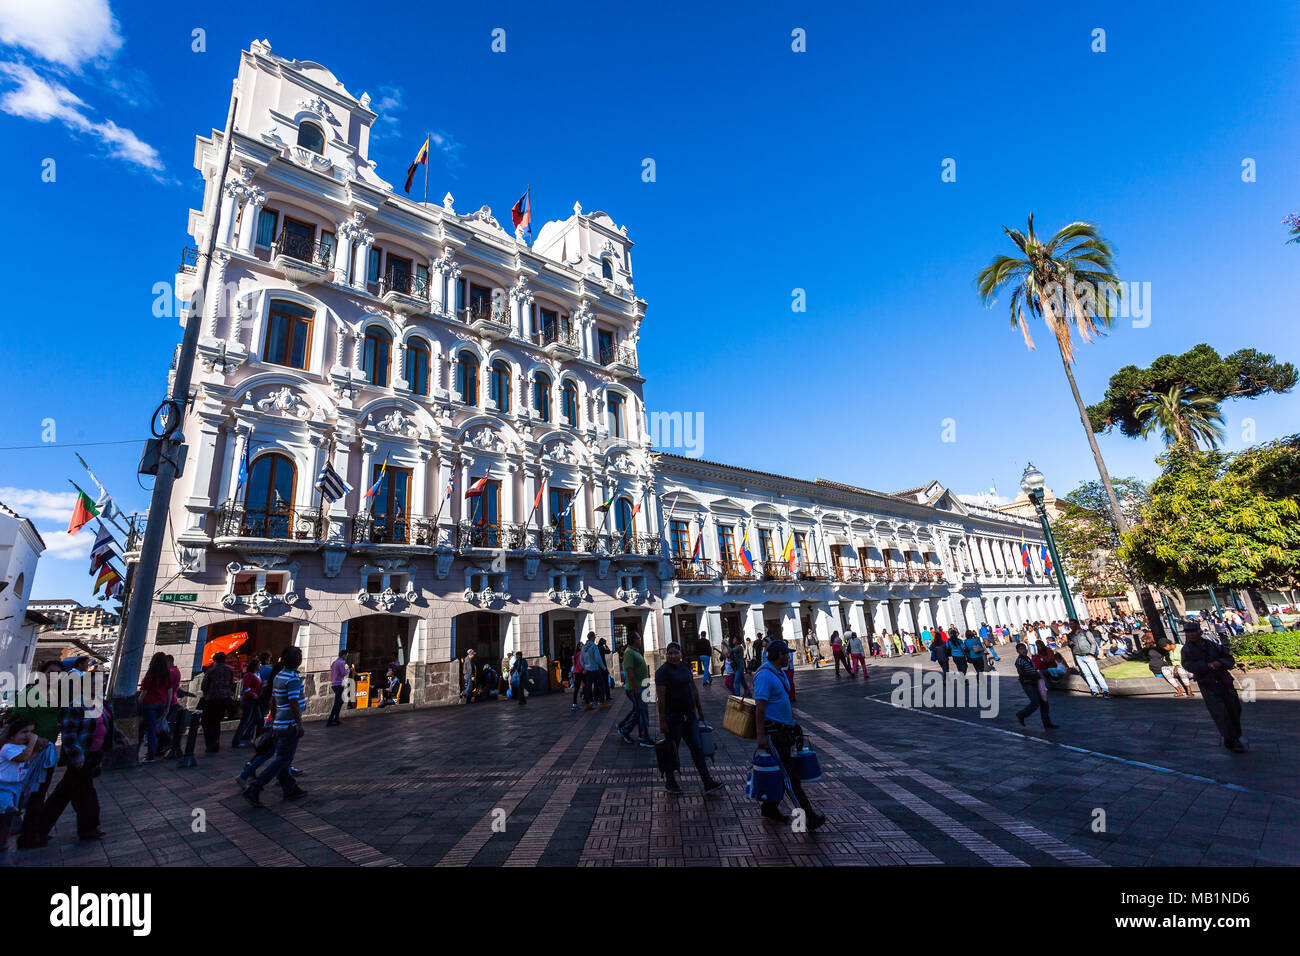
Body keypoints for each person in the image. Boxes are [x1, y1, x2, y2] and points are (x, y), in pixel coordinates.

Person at [752, 640, 826, 829]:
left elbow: (781, 703)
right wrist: (761, 736)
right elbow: (759, 709)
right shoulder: (765, 676)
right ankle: (807, 816)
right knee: (789, 777)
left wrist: (793, 724)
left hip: (784, 730)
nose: (789, 657)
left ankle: (769, 808)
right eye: (787, 654)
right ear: (779, 655)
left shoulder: (778, 672)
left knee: (781, 773)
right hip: (773, 733)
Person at [39, 694, 118, 842]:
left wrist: (119, 737)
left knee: (67, 793)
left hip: (94, 755)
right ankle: (87, 828)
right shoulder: (77, 705)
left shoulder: (101, 703)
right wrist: (76, 756)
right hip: (82, 756)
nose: (96, 687)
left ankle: (39, 829)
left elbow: (106, 725)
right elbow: (69, 732)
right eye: (93, 684)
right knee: (81, 793)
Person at [654, 643, 722, 796]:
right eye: (669, 653)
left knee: (697, 748)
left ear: (680, 653)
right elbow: (661, 698)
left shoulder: (685, 667)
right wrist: (662, 720)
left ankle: (707, 781)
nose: (672, 656)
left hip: (690, 716)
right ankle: (670, 781)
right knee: (673, 750)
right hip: (673, 718)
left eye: (675, 653)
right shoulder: (662, 672)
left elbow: (693, 689)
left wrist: (699, 709)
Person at [242, 646, 308, 805]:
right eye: (298, 656)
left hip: (279, 723)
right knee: (282, 759)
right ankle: (255, 787)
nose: (300, 659)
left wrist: (271, 720)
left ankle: (290, 788)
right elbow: (293, 702)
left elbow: (275, 700)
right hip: (289, 725)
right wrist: (299, 724)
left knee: (283, 758)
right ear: (296, 661)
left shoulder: (279, 676)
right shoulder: (292, 678)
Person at [1181, 622, 1245, 752]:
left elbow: (1229, 659)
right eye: (1188, 632)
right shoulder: (1187, 649)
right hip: (1208, 684)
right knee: (1220, 713)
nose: (1191, 634)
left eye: (1193, 631)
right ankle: (1231, 740)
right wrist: (1206, 666)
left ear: (1200, 632)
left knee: (1234, 709)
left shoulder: (1212, 645)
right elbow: (1188, 665)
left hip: (1224, 681)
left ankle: (1235, 736)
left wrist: (1220, 663)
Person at [617, 633, 653, 746]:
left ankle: (624, 728)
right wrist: (637, 688)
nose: (640, 640)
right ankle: (644, 737)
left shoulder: (635, 651)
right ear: (634, 640)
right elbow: (629, 671)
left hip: (642, 687)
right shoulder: (629, 653)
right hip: (635, 688)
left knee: (638, 711)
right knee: (642, 712)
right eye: (639, 638)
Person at [136, 652, 172, 763]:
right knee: (155, 729)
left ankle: (149, 754)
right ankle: (153, 752)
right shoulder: (167, 675)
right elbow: (170, 691)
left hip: (149, 704)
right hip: (162, 703)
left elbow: (144, 693)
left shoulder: (150, 676)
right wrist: (168, 706)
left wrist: (138, 704)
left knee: (148, 730)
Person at [1014, 643, 1059, 729]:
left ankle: (1047, 723)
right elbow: (1022, 673)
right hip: (1028, 684)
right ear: (1018, 651)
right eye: (1021, 649)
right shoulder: (1019, 661)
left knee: (1044, 703)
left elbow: (1033, 669)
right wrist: (1034, 676)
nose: (1023, 650)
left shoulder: (1028, 659)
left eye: (1024, 648)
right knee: (1035, 703)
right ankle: (1021, 714)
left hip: (1035, 682)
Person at [199, 651, 235, 753]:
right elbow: (231, 684)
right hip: (224, 699)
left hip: (211, 699)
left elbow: (204, 686)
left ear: (215, 660)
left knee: (207, 722)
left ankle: (210, 744)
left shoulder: (211, 671)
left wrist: (207, 693)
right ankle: (216, 742)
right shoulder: (229, 670)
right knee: (216, 722)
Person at [1066, 620, 1110, 698]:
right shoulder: (1070, 635)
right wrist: (1070, 644)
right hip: (1078, 656)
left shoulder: (1085, 632)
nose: (1070, 626)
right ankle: (1094, 690)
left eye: (1072, 624)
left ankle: (1105, 690)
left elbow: (1093, 643)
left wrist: (1091, 653)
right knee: (1087, 674)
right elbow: (1071, 646)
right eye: (1070, 625)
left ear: (1076, 624)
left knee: (1096, 673)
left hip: (1088, 655)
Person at [230, 659, 264, 747]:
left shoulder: (258, 674)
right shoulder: (248, 675)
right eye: (259, 664)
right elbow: (245, 687)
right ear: (255, 666)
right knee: (245, 720)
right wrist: (252, 694)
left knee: (258, 719)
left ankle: (250, 737)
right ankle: (236, 740)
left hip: (256, 700)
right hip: (249, 700)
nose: (260, 665)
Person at [326, 651, 350, 726]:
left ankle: (336, 718)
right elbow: (343, 673)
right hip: (339, 683)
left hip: (334, 683)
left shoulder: (334, 662)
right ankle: (331, 720)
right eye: (346, 655)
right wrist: (349, 670)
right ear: (343, 655)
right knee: (337, 703)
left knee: (339, 702)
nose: (346, 657)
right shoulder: (341, 662)